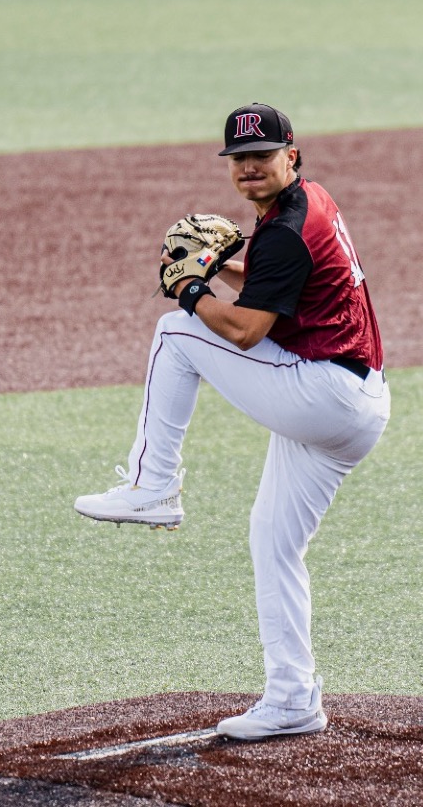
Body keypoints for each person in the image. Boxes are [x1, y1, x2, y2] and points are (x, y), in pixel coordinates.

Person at [73, 102, 390, 741]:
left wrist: (192, 291)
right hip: (355, 403)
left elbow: (245, 331)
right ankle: (293, 697)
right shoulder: (310, 205)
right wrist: (216, 267)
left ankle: (152, 485)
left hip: (321, 392)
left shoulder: (285, 229)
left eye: (262, 156)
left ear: (290, 156)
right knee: (273, 542)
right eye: (239, 159)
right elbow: (276, 282)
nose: (249, 169)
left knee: (175, 332)